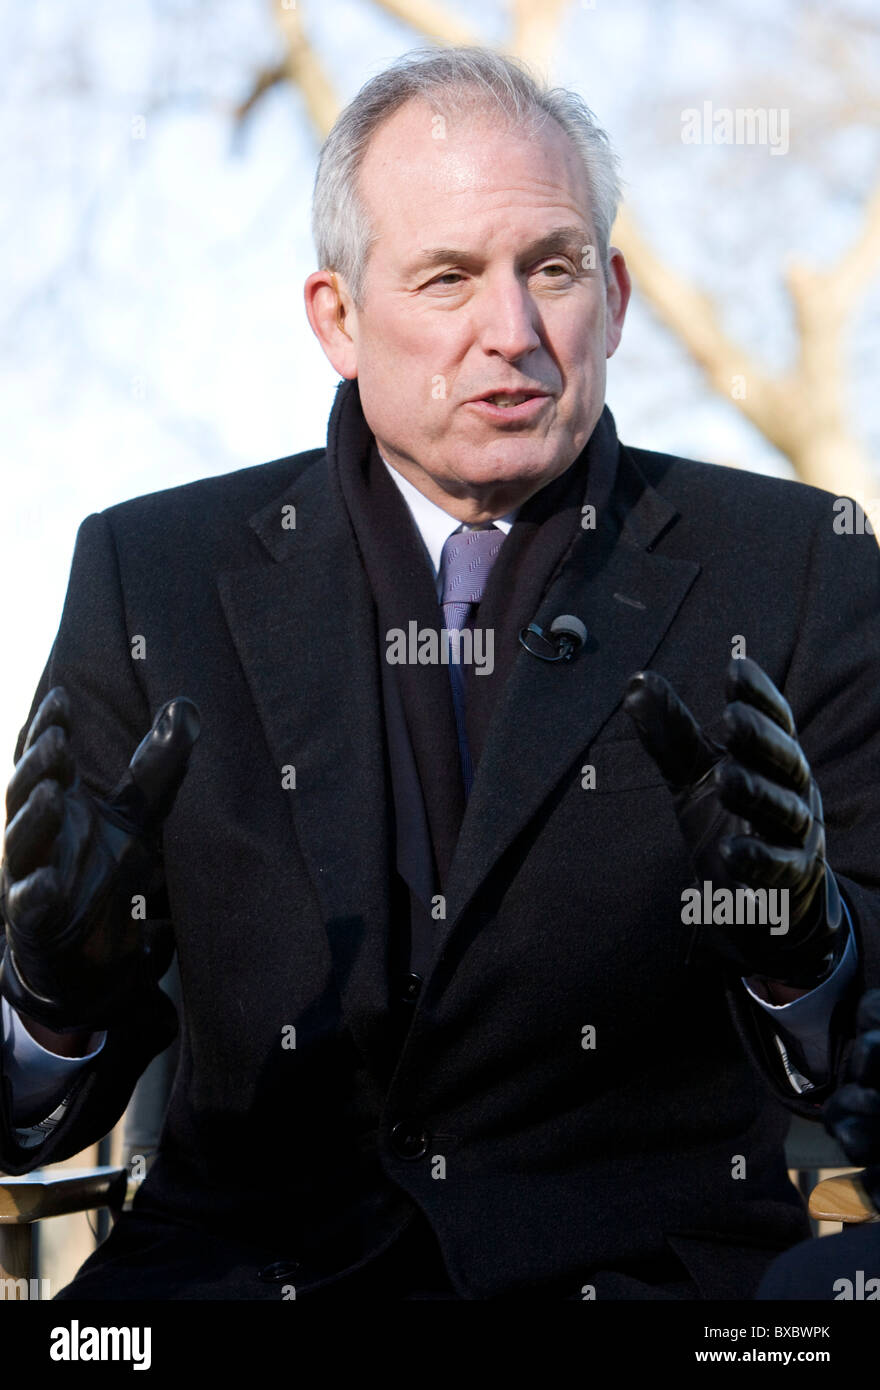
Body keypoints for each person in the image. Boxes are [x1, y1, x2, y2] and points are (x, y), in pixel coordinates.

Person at [1, 46, 879, 1302]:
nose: (511, 332)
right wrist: (50, 1000)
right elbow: (26, 1107)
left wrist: (806, 948)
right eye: (450, 277)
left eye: (554, 270)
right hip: (228, 1287)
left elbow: (865, 1041)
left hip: (657, 1293)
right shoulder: (152, 574)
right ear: (339, 319)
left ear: (616, 298)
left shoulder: (798, 565)